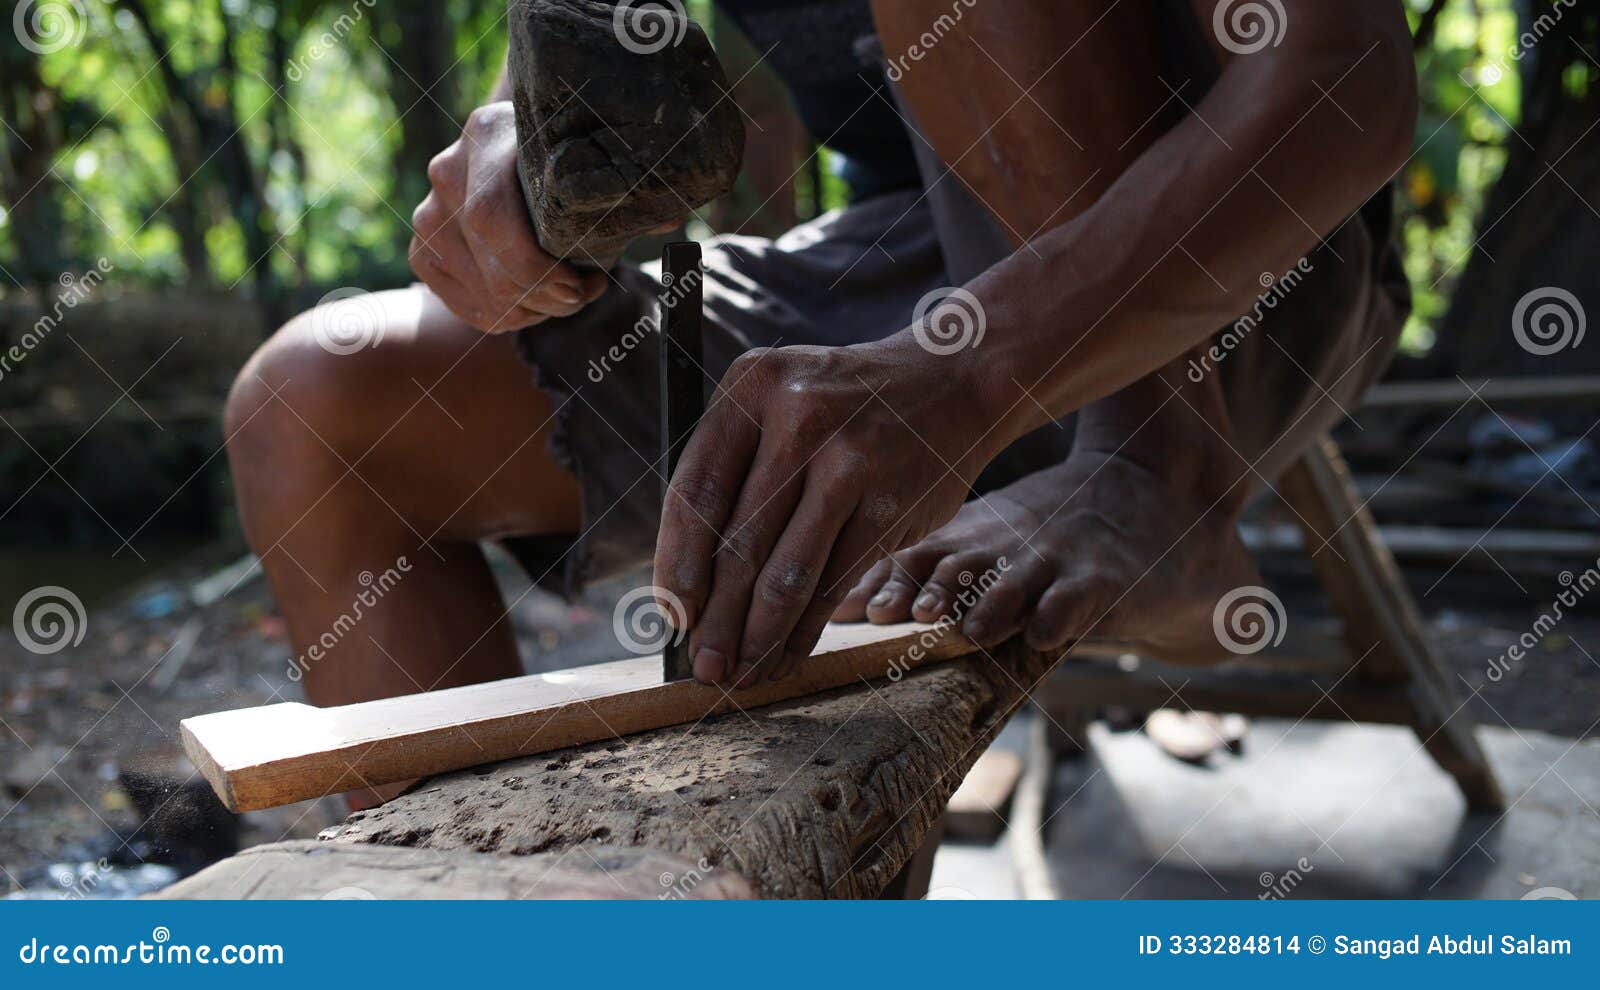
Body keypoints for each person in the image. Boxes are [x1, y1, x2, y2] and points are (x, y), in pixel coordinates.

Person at [226, 0, 1414, 802]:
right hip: (899, 267)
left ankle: (1151, 473)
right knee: (317, 400)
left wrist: (970, 375)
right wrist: (514, 159)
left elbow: (1346, 83)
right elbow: (562, 60)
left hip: (1237, 258)